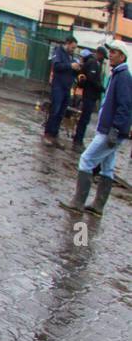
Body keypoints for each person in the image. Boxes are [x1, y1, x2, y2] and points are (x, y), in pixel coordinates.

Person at [60, 39, 130, 216]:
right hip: (111, 129)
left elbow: (125, 105)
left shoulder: (122, 77)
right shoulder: (118, 75)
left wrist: (115, 128)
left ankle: (78, 202)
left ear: (122, 56)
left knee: (86, 160)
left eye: (114, 52)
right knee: (107, 168)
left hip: (110, 131)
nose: (110, 55)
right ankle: (98, 207)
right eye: (110, 51)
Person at [43, 37, 80, 145]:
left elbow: (71, 70)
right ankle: (48, 134)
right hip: (58, 86)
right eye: (72, 47)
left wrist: (76, 69)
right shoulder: (58, 51)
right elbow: (57, 66)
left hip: (67, 88)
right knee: (55, 111)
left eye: (74, 48)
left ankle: (54, 135)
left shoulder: (70, 55)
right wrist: (70, 66)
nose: (73, 50)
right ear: (67, 44)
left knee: (61, 113)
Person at [72, 45, 106, 150]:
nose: (103, 59)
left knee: (85, 118)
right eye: (103, 56)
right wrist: (102, 88)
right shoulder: (93, 63)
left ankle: (78, 138)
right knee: (84, 118)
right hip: (89, 95)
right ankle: (78, 140)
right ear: (99, 54)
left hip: (91, 95)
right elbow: (92, 79)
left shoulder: (95, 63)